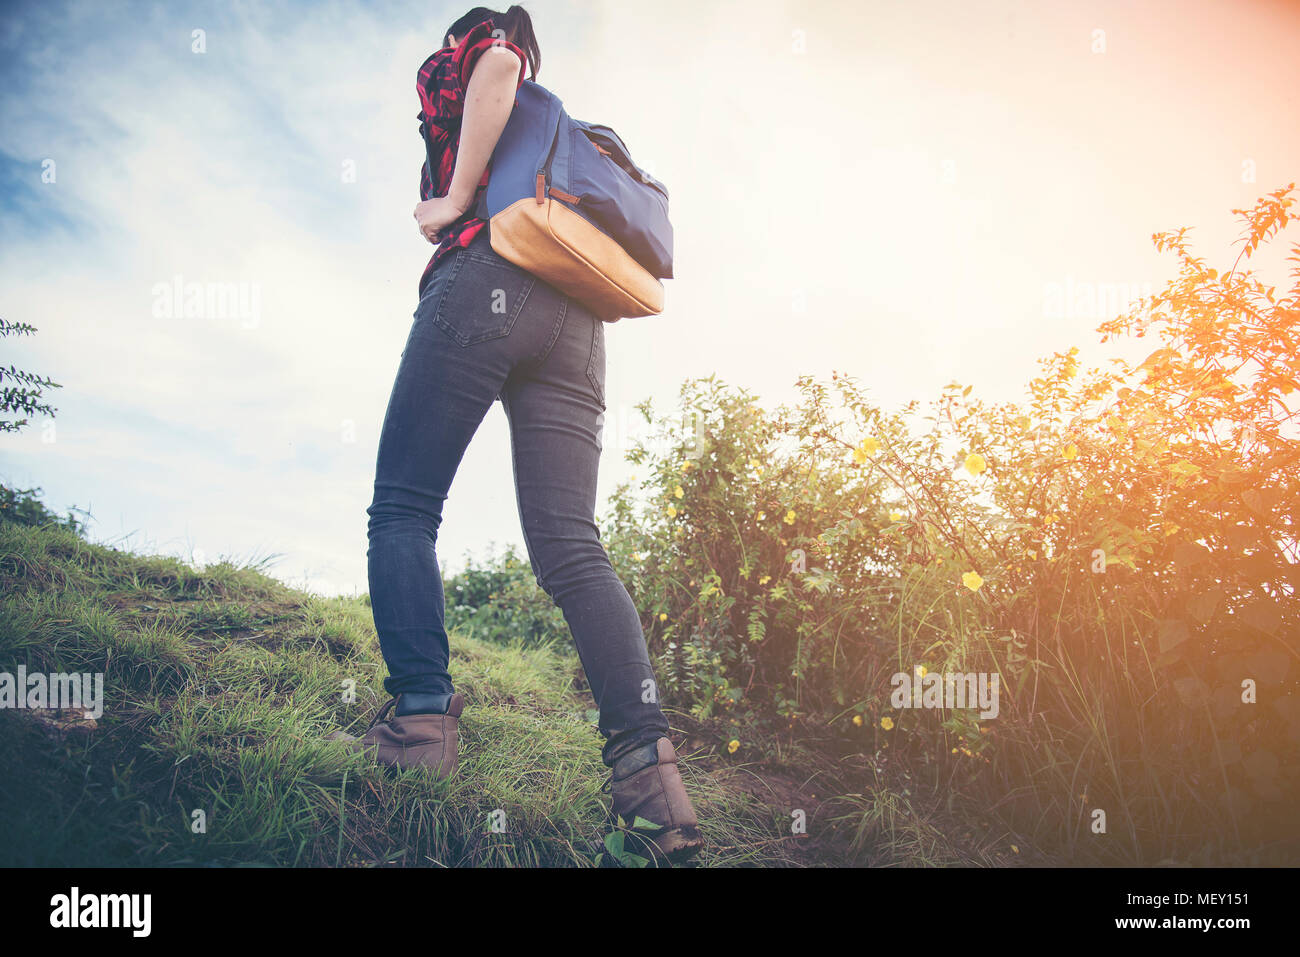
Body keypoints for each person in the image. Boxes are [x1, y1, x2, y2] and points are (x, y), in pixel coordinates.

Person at [344, 5, 702, 861]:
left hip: (487, 276)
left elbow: (498, 67)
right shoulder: (554, 133)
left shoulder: (477, 47)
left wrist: (455, 199)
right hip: (576, 315)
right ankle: (653, 793)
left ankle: (419, 743)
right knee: (574, 548)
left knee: (402, 508)